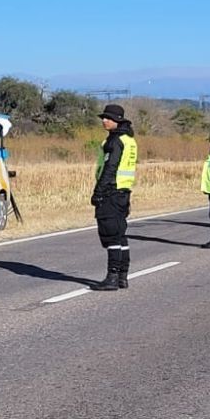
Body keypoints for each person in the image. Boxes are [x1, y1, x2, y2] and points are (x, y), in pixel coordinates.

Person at [91, 104, 138, 290]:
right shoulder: (128, 139)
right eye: (103, 117)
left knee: (111, 235)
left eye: (107, 118)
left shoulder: (115, 141)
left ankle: (112, 277)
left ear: (116, 120)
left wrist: (98, 192)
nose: (103, 121)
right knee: (120, 235)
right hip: (123, 192)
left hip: (111, 191)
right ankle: (122, 276)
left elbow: (110, 168)